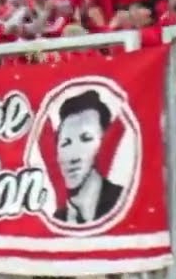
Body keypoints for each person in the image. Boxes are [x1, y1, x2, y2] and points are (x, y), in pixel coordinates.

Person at [53, 89, 123, 224]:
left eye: (86, 139)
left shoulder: (122, 202)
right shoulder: (58, 219)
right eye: (65, 143)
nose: (73, 157)